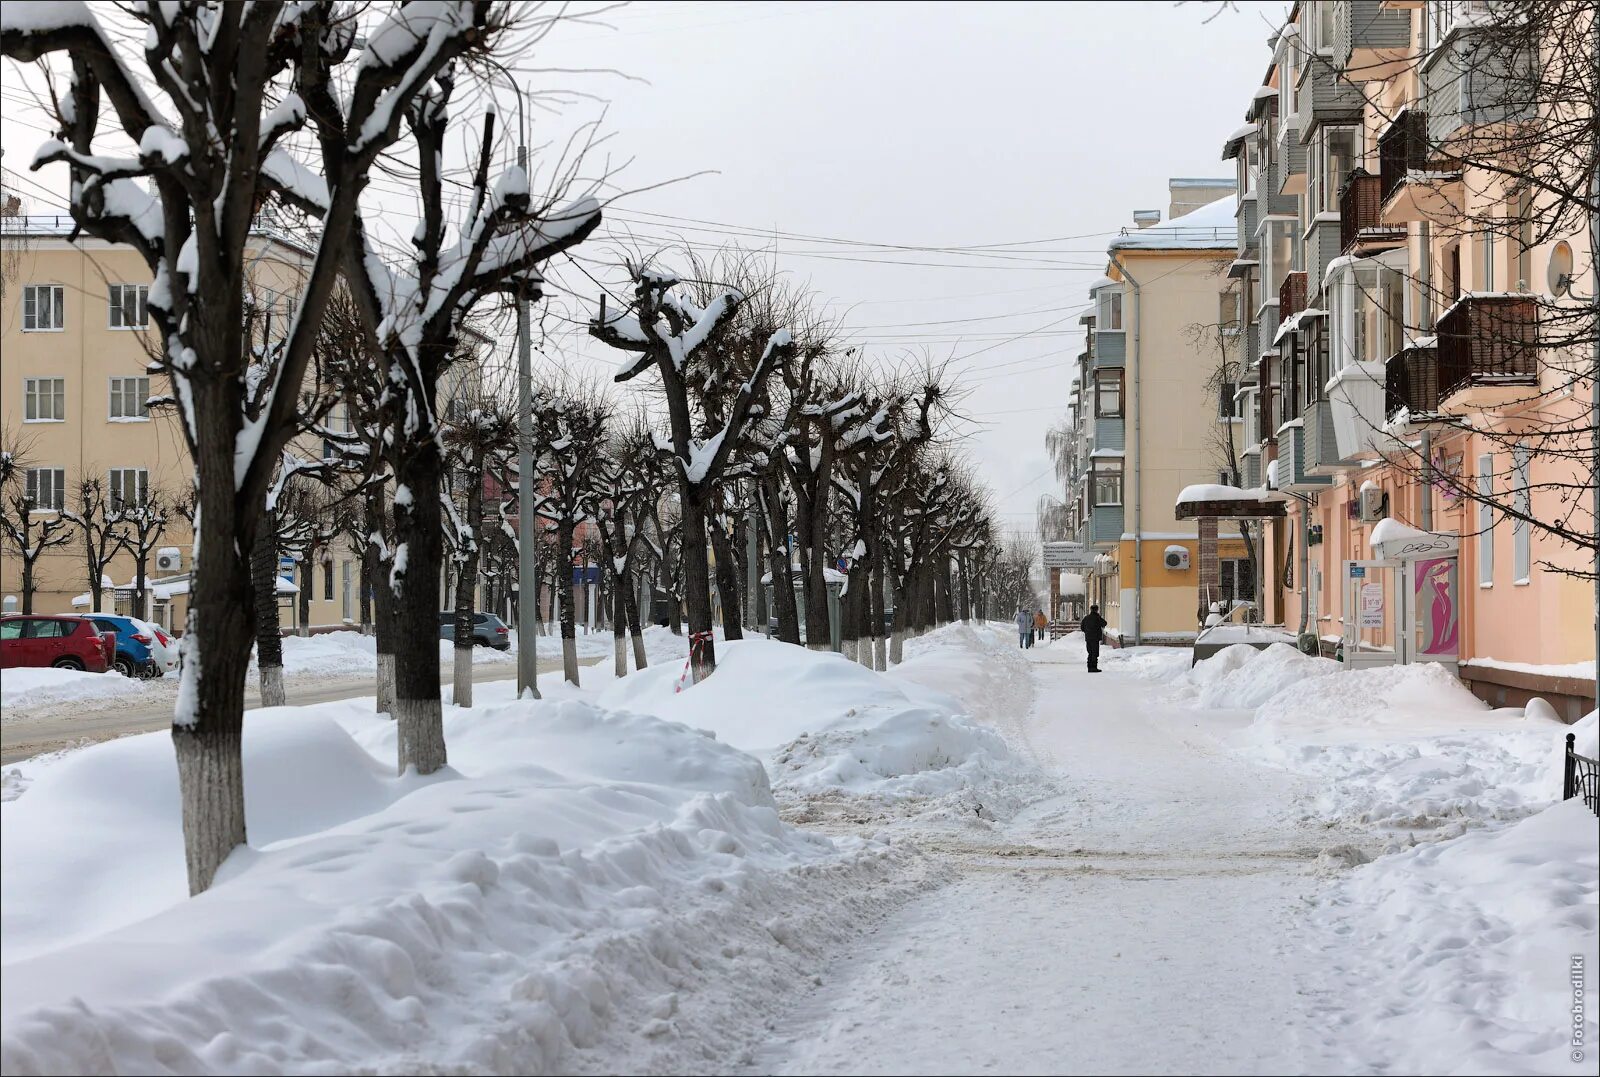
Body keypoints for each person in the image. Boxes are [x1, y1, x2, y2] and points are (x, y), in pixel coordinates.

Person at [1080, 604, 1107, 672]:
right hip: (1095, 638)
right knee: (1095, 653)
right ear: (1097, 610)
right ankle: (1094, 667)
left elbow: (1082, 628)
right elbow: (1104, 623)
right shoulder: (1097, 618)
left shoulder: (1086, 618)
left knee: (1090, 652)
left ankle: (1089, 667)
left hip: (1088, 638)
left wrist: (1087, 632)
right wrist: (1099, 617)